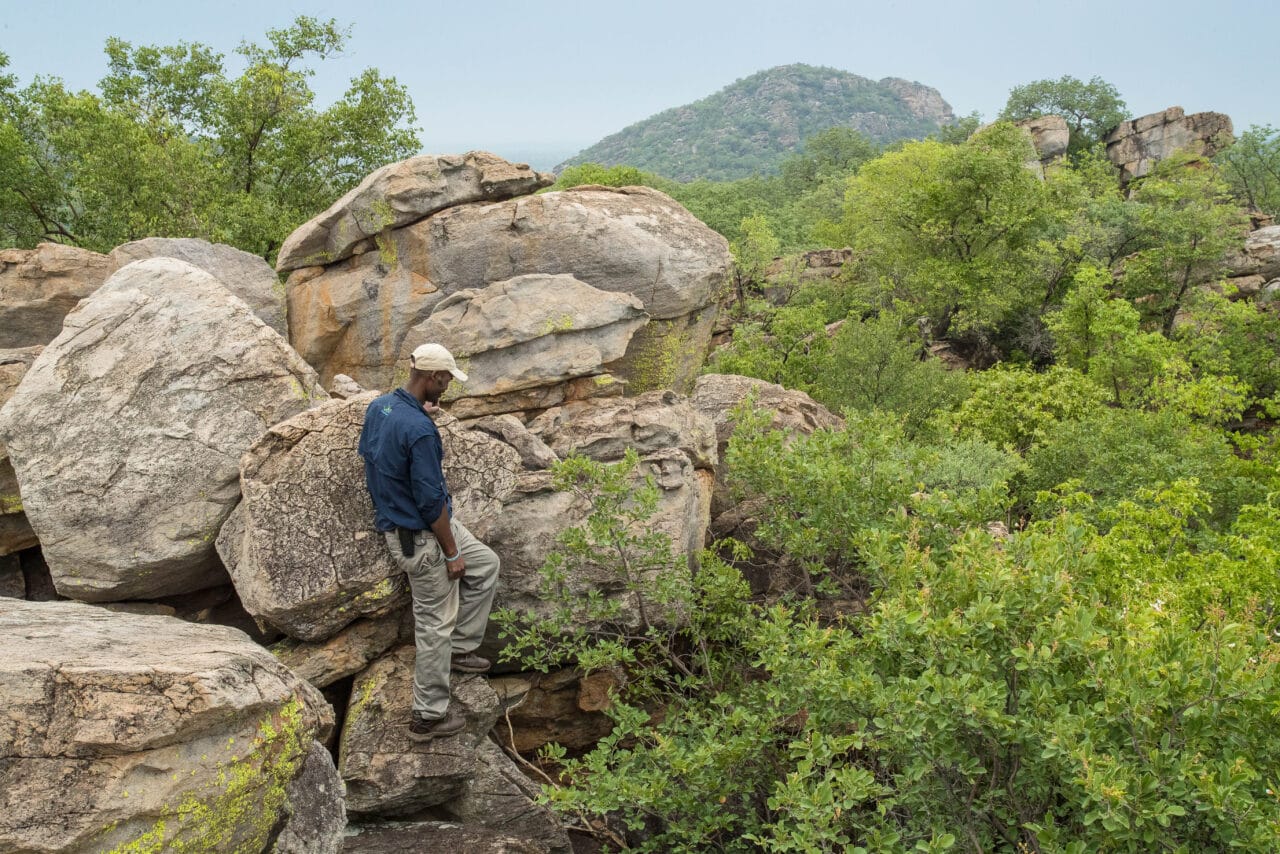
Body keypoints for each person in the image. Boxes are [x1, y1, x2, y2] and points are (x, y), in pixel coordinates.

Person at [358, 343, 500, 741]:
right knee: (435, 624)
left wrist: (418, 417)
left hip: (420, 523)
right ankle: (427, 716)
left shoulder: (383, 407)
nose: (449, 385)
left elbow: (370, 453)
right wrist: (451, 551)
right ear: (433, 377)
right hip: (421, 536)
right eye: (448, 379)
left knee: (486, 564)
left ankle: (460, 647)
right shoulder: (420, 431)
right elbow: (430, 499)